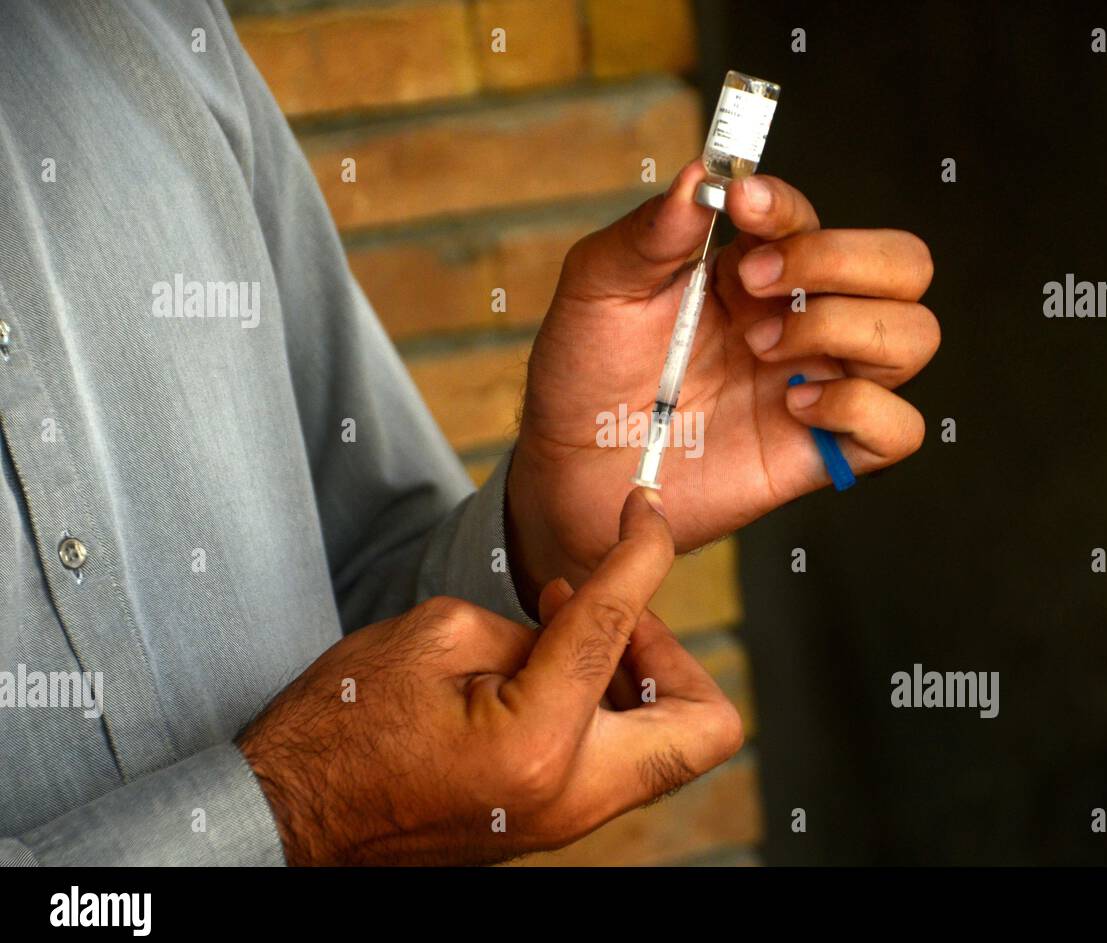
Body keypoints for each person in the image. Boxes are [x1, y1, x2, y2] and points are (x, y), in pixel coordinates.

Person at [0, 0, 938, 865]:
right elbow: (322, 778)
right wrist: (293, 813)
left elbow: (366, 582)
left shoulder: (137, 29)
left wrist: (541, 532)